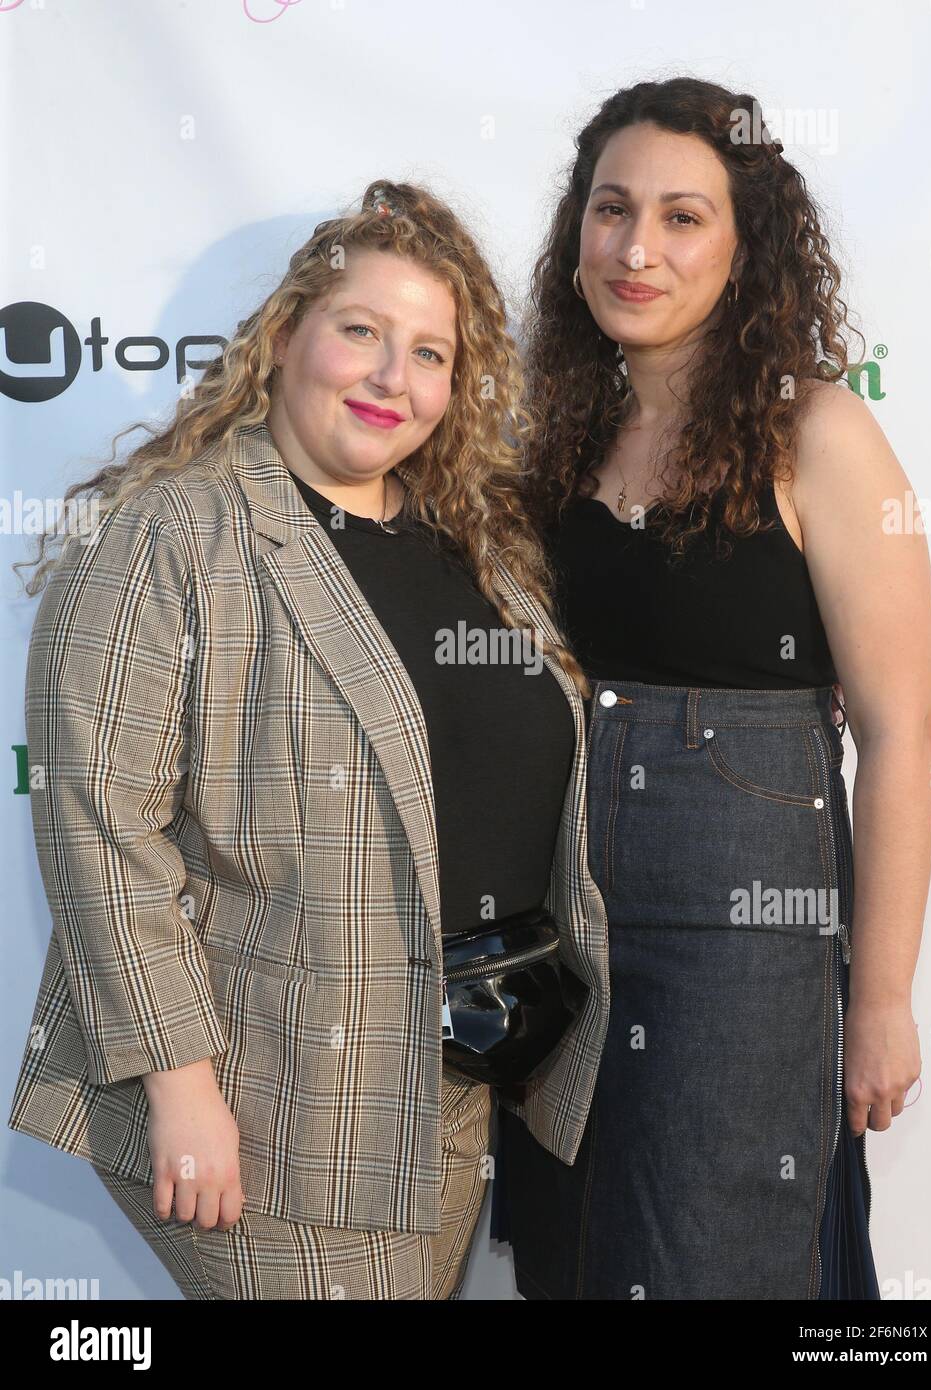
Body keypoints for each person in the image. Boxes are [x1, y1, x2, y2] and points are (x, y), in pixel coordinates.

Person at [7, 181, 610, 1300]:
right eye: (362, 332)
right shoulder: (169, 530)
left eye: (430, 352)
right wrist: (181, 1088)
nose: (395, 377)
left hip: (453, 1082)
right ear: (282, 339)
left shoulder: (470, 545)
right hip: (269, 1092)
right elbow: (101, 826)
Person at [492, 78, 931, 1300]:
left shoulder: (819, 433)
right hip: (559, 925)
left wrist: (883, 1000)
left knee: (718, 1256)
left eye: (682, 217)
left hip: (747, 940)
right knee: (570, 1251)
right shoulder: (548, 435)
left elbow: (900, 735)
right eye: (610, 209)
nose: (636, 248)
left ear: (746, 248)